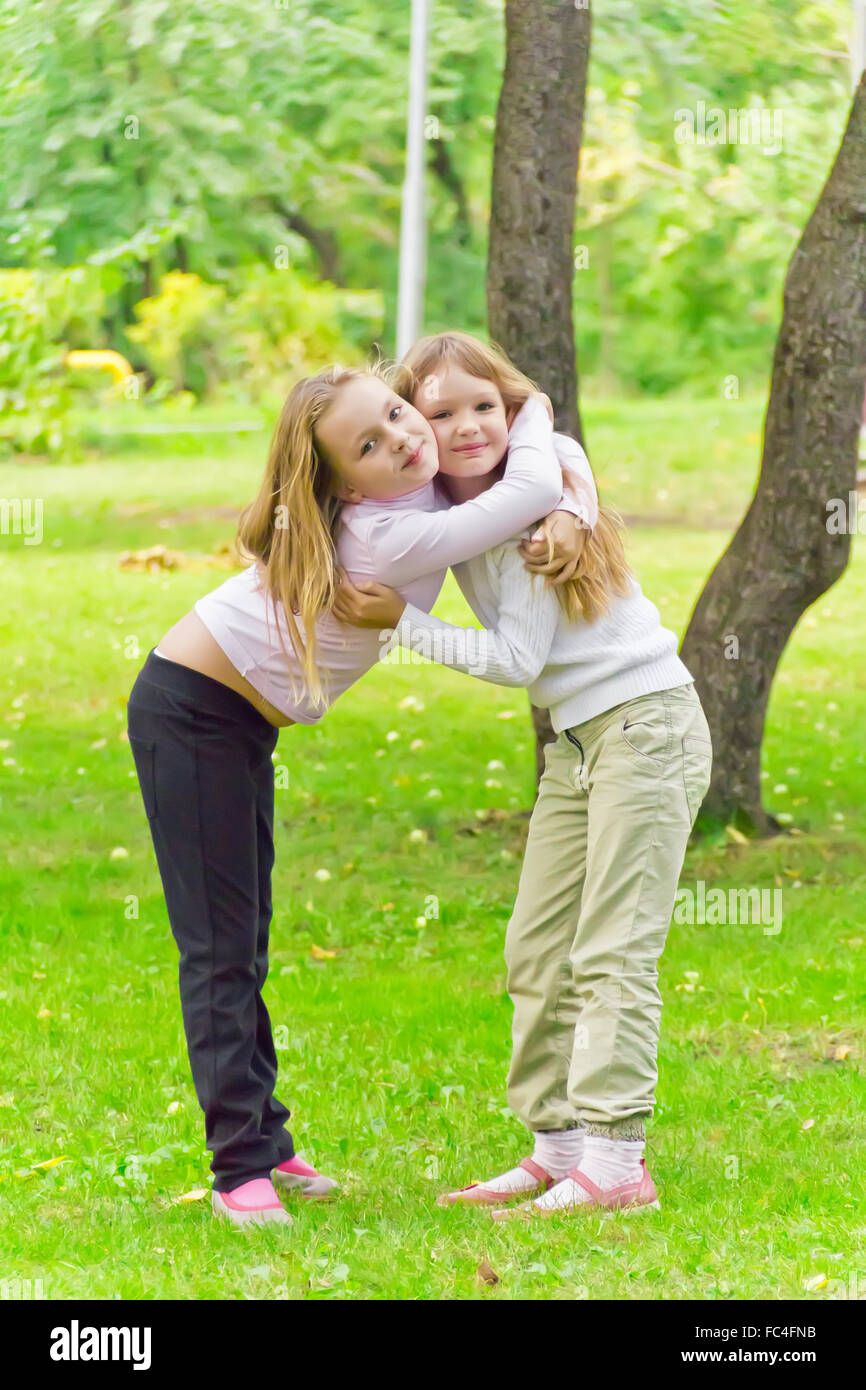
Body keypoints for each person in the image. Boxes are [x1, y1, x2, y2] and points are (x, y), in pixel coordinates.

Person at [126, 360, 585, 1226]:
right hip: (191, 710)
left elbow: (552, 470)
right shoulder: (388, 536)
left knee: (245, 934)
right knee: (219, 947)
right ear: (343, 483)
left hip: (231, 719)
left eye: (399, 415)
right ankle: (239, 1173)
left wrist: (566, 486)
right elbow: (533, 482)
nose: (407, 440)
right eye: (369, 446)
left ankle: (268, 1141)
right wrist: (536, 408)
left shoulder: (421, 493)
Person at [334, 332, 713, 1218]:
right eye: (440, 412)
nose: (467, 427)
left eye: (485, 407)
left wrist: (401, 623)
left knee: (611, 950)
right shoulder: (459, 501)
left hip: (645, 725)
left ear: (511, 410)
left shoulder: (530, 507)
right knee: (535, 950)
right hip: (575, 746)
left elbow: (515, 659)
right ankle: (558, 1147)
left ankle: (619, 1164)